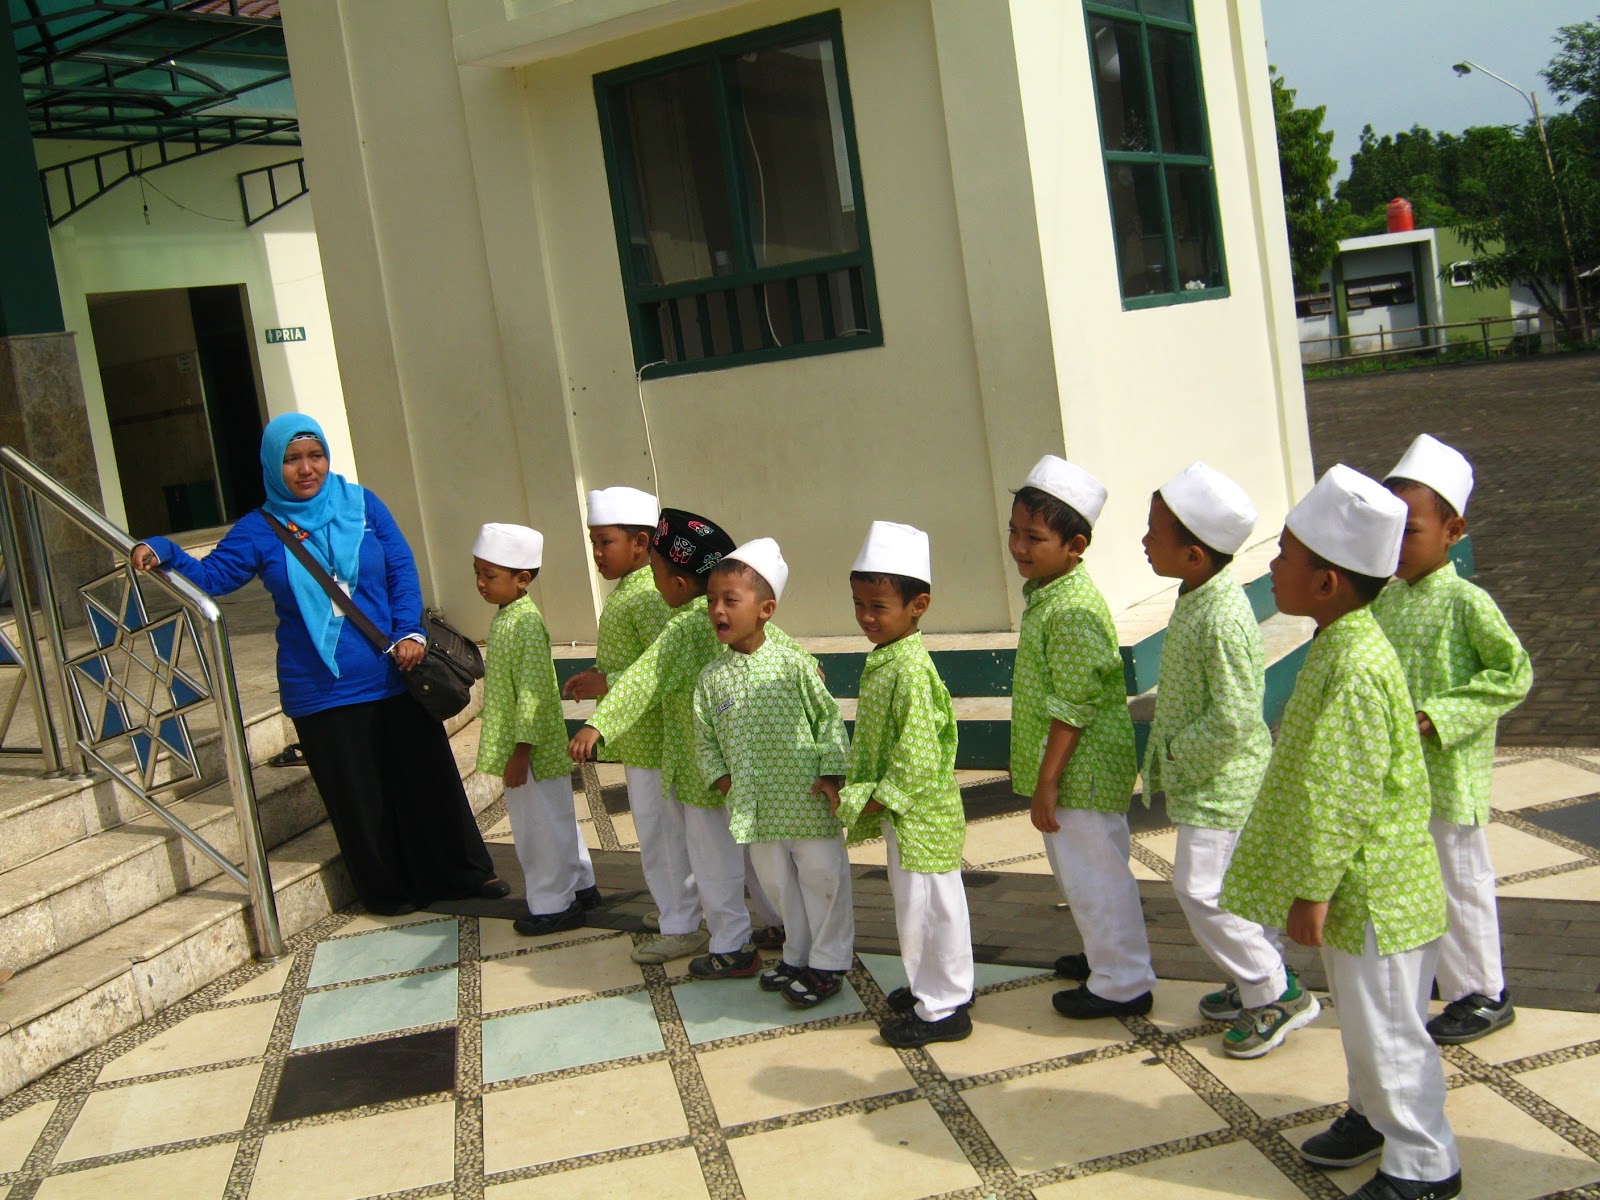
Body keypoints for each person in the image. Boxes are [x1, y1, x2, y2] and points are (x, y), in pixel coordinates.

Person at [133, 414, 505, 915]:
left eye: (315, 456)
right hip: (322, 692)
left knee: (427, 782)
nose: (306, 469)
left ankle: (464, 876)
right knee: (360, 802)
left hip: (394, 676)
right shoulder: (259, 530)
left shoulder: (362, 504)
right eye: (292, 459)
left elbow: (400, 569)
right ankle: (390, 893)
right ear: (272, 465)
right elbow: (210, 578)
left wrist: (410, 632)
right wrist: (162, 549)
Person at [1222, 464, 1459, 1200]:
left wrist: (1311, 892)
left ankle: (1424, 1162)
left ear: (1326, 583)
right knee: (1367, 1024)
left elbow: (1340, 795)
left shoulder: (1355, 663)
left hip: (1374, 894)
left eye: (1285, 556)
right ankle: (1370, 1115)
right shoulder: (1339, 638)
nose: (1272, 566)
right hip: (1364, 891)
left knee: (1391, 1032)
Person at [1141, 463, 1316, 1058]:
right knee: (1239, 891)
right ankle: (1253, 978)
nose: (1143, 541)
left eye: (1153, 533)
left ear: (1193, 555)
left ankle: (1275, 991)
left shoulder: (1219, 614)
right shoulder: (1197, 595)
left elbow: (1239, 713)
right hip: (1212, 780)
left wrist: (1175, 753)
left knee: (1201, 890)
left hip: (1224, 782)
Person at [1374, 434, 1532, 1046]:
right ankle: (1448, 984)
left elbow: (1512, 672)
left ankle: (1484, 992)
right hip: (1403, 777)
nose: (1397, 547)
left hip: (1449, 772)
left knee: (1460, 883)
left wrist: (1441, 715)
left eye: (1409, 531)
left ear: (1453, 530)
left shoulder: (1468, 601)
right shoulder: (1385, 601)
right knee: (1421, 882)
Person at [569, 508, 762, 967]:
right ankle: (751, 927)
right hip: (693, 754)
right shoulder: (699, 614)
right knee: (723, 849)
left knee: (697, 849)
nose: (597, 553)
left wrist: (601, 720)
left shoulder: (682, 618)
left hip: (687, 756)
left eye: (605, 541)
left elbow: (645, 676)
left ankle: (706, 932)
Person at [1009, 455, 1153, 1019]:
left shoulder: (1069, 609)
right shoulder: (1050, 591)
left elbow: (1073, 707)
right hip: (1077, 771)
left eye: (1035, 537)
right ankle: (1109, 958)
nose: (1020, 546)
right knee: (1086, 872)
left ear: (1076, 544)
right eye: (1015, 532)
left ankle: (1123, 982)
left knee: (1096, 877)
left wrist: (1048, 784)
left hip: (1080, 772)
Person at [693, 540, 853, 1002]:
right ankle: (796, 955)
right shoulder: (711, 678)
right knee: (779, 887)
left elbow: (828, 722)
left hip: (806, 802)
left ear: (766, 609)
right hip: (756, 809)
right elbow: (704, 738)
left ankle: (829, 964)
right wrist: (724, 781)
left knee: (823, 881)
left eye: (730, 600)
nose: (717, 610)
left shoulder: (795, 666)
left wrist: (833, 775)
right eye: (711, 601)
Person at [837, 521, 974, 1045]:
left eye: (878, 607)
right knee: (926, 905)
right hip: (909, 814)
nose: (866, 617)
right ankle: (938, 986)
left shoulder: (909, 669)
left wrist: (879, 798)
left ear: (918, 606)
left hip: (919, 814)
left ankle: (943, 1007)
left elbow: (918, 753)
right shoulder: (890, 658)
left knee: (927, 908)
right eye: (859, 605)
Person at [560, 488, 689, 936]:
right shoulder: (629, 592)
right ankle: (679, 910)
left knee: (663, 839)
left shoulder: (650, 595)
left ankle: (682, 921)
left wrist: (607, 683)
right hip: (640, 740)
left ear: (640, 543)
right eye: (592, 541)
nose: (596, 553)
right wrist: (601, 674)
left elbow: (663, 666)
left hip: (658, 740)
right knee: (659, 837)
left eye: (605, 542)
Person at [473, 523, 599, 936]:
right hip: (535, 748)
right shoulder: (513, 616)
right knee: (556, 818)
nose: (481, 584)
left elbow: (529, 693)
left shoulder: (522, 623)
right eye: (478, 573)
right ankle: (581, 886)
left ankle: (553, 905)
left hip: (529, 749)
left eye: (490, 576)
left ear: (522, 578)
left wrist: (520, 752)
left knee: (536, 830)